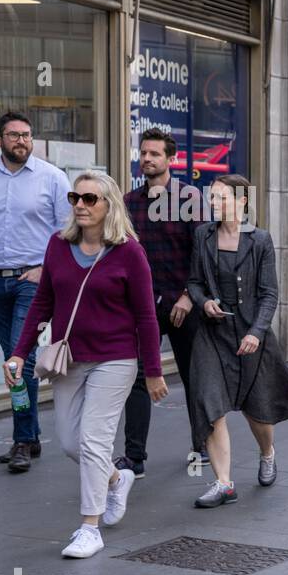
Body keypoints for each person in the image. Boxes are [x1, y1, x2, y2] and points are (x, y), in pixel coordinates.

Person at [6, 171, 165, 557]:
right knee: (70, 442)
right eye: (76, 197)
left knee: (94, 439)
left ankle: (89, 527)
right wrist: (18, 352)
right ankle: (116, 478)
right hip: (69, 358)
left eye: (90, 199)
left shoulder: (129, 251)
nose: (80, 204)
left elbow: (146, 316)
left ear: (108, 205)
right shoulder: (58, 246)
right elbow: (42, 302)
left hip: (116, 359)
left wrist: (154, 370)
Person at [185, 174, 288, 508]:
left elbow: (269, 293)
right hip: (212, 334)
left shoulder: (260, 240)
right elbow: (193, 282)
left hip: (251, 334)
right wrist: (203, 301)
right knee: (210, 403)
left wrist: (256, 331)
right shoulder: (202, 236)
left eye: (222, 198)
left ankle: (267, 453)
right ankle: (223, 483)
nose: (214, 204)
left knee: (258, 410)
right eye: (212, 198)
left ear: (241, 201)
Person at [116, 127, 207, 478]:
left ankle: (202, 446)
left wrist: (188, 296)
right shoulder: (128, 203)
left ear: (172, 159)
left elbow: (203, 254)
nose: (147, 159)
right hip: (143, 310)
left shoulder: (190, 199)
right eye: (144, 153)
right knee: (137, 379)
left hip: (183, 305)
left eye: (155, 154)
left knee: (193, 377)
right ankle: (134, 458)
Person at [0, 112, 69, 473]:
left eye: (26, 135)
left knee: (18, 361)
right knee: (13, 358)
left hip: (33, 282)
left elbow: (67, 232)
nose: (21, 141)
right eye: (13, 135)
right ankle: (32, 436)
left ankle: (24, 439)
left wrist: (46, 270)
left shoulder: (52, 178)